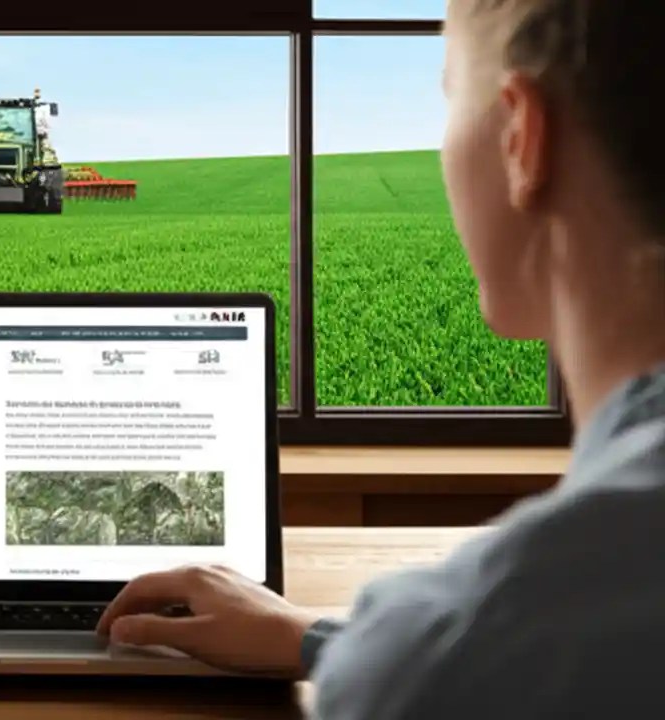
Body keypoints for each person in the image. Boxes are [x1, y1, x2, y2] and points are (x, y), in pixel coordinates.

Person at [96, 0, 665, 716]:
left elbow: (479, 659)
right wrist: (321, 636)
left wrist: (398, 647)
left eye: (452, 98)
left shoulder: (458, 657)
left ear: (523, 135)